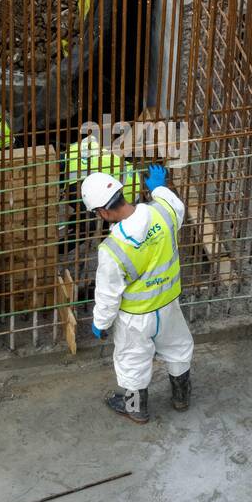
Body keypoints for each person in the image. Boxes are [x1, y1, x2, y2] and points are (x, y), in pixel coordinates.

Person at [81, 163, 193, 424]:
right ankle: (181, 398)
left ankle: (136, 409)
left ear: (103, 211)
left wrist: (101, 324)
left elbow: (108, 295)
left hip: (136, 318)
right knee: (178, 348)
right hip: (168, 304)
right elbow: (176, 206)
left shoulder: (112, 249)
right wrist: (160, 189)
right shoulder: (162, 213)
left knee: (131, 361)